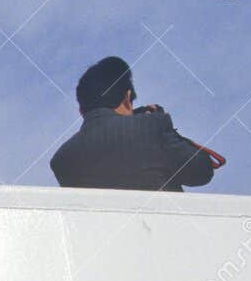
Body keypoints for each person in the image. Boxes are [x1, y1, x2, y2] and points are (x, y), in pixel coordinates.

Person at [50, 56, 220, 191]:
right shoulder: (151, 127)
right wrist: (168, 131)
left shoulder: (62, 159)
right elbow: (201, 171)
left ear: (81, 110)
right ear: (127, 98)